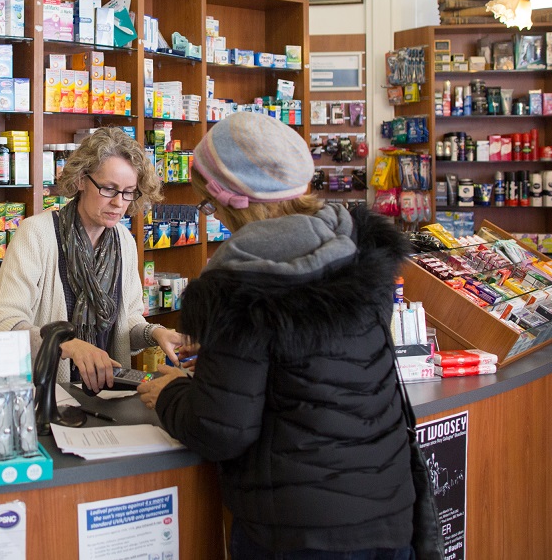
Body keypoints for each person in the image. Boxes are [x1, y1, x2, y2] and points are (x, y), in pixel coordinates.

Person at [136, 113, 416, 560]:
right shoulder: (352, 248)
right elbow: (319, 370)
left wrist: (172, 393)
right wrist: (229, 354)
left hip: (297, 530)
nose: (213, 216)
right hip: (388, 510)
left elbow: (220, 429)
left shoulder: (241, 282)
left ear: (231, 200)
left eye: (209, 204)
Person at [0, 127, 185, 391]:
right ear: (81, 180)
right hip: (47, 393)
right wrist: (65, 345)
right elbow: (4, 325)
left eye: (129, 192)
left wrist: (156, 333)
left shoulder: (124, 241)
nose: (119, 203)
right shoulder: (37, 234)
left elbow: (127, 324)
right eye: (109, 189)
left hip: (108, 392)